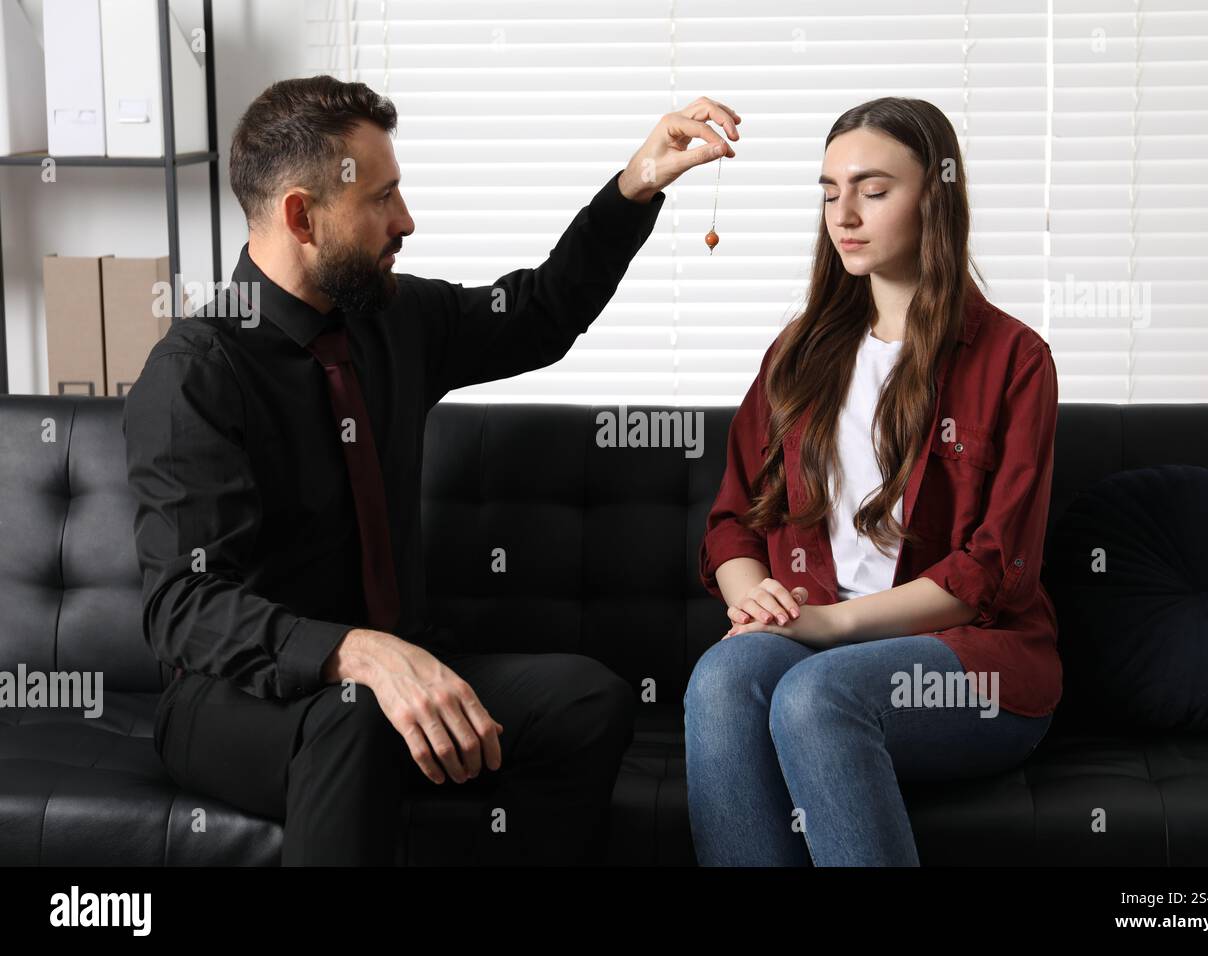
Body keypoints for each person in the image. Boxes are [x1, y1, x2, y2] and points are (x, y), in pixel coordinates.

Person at [123, 74, 741, 865]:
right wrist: (355, 651)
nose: (406, 221)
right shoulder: (195, 373)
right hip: (232, 697)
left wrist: (635, 186)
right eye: (381, 199)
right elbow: (184, 606)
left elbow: (541, 314)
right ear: (300, 216)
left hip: (395, 670)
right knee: (352, 716)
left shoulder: (392, 318)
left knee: (586, 700)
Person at [689, 96, 1061, 867]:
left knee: (817, 696)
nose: (844, 213)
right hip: (812, 637)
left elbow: (990, 572)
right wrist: (750, 596)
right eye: (829, 191)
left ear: (936, 195)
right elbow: (733, 520)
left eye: (874, 189)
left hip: (969, 660)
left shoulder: (1015, 360)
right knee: (724, 677)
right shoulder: (797, 353)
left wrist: (827, 628)